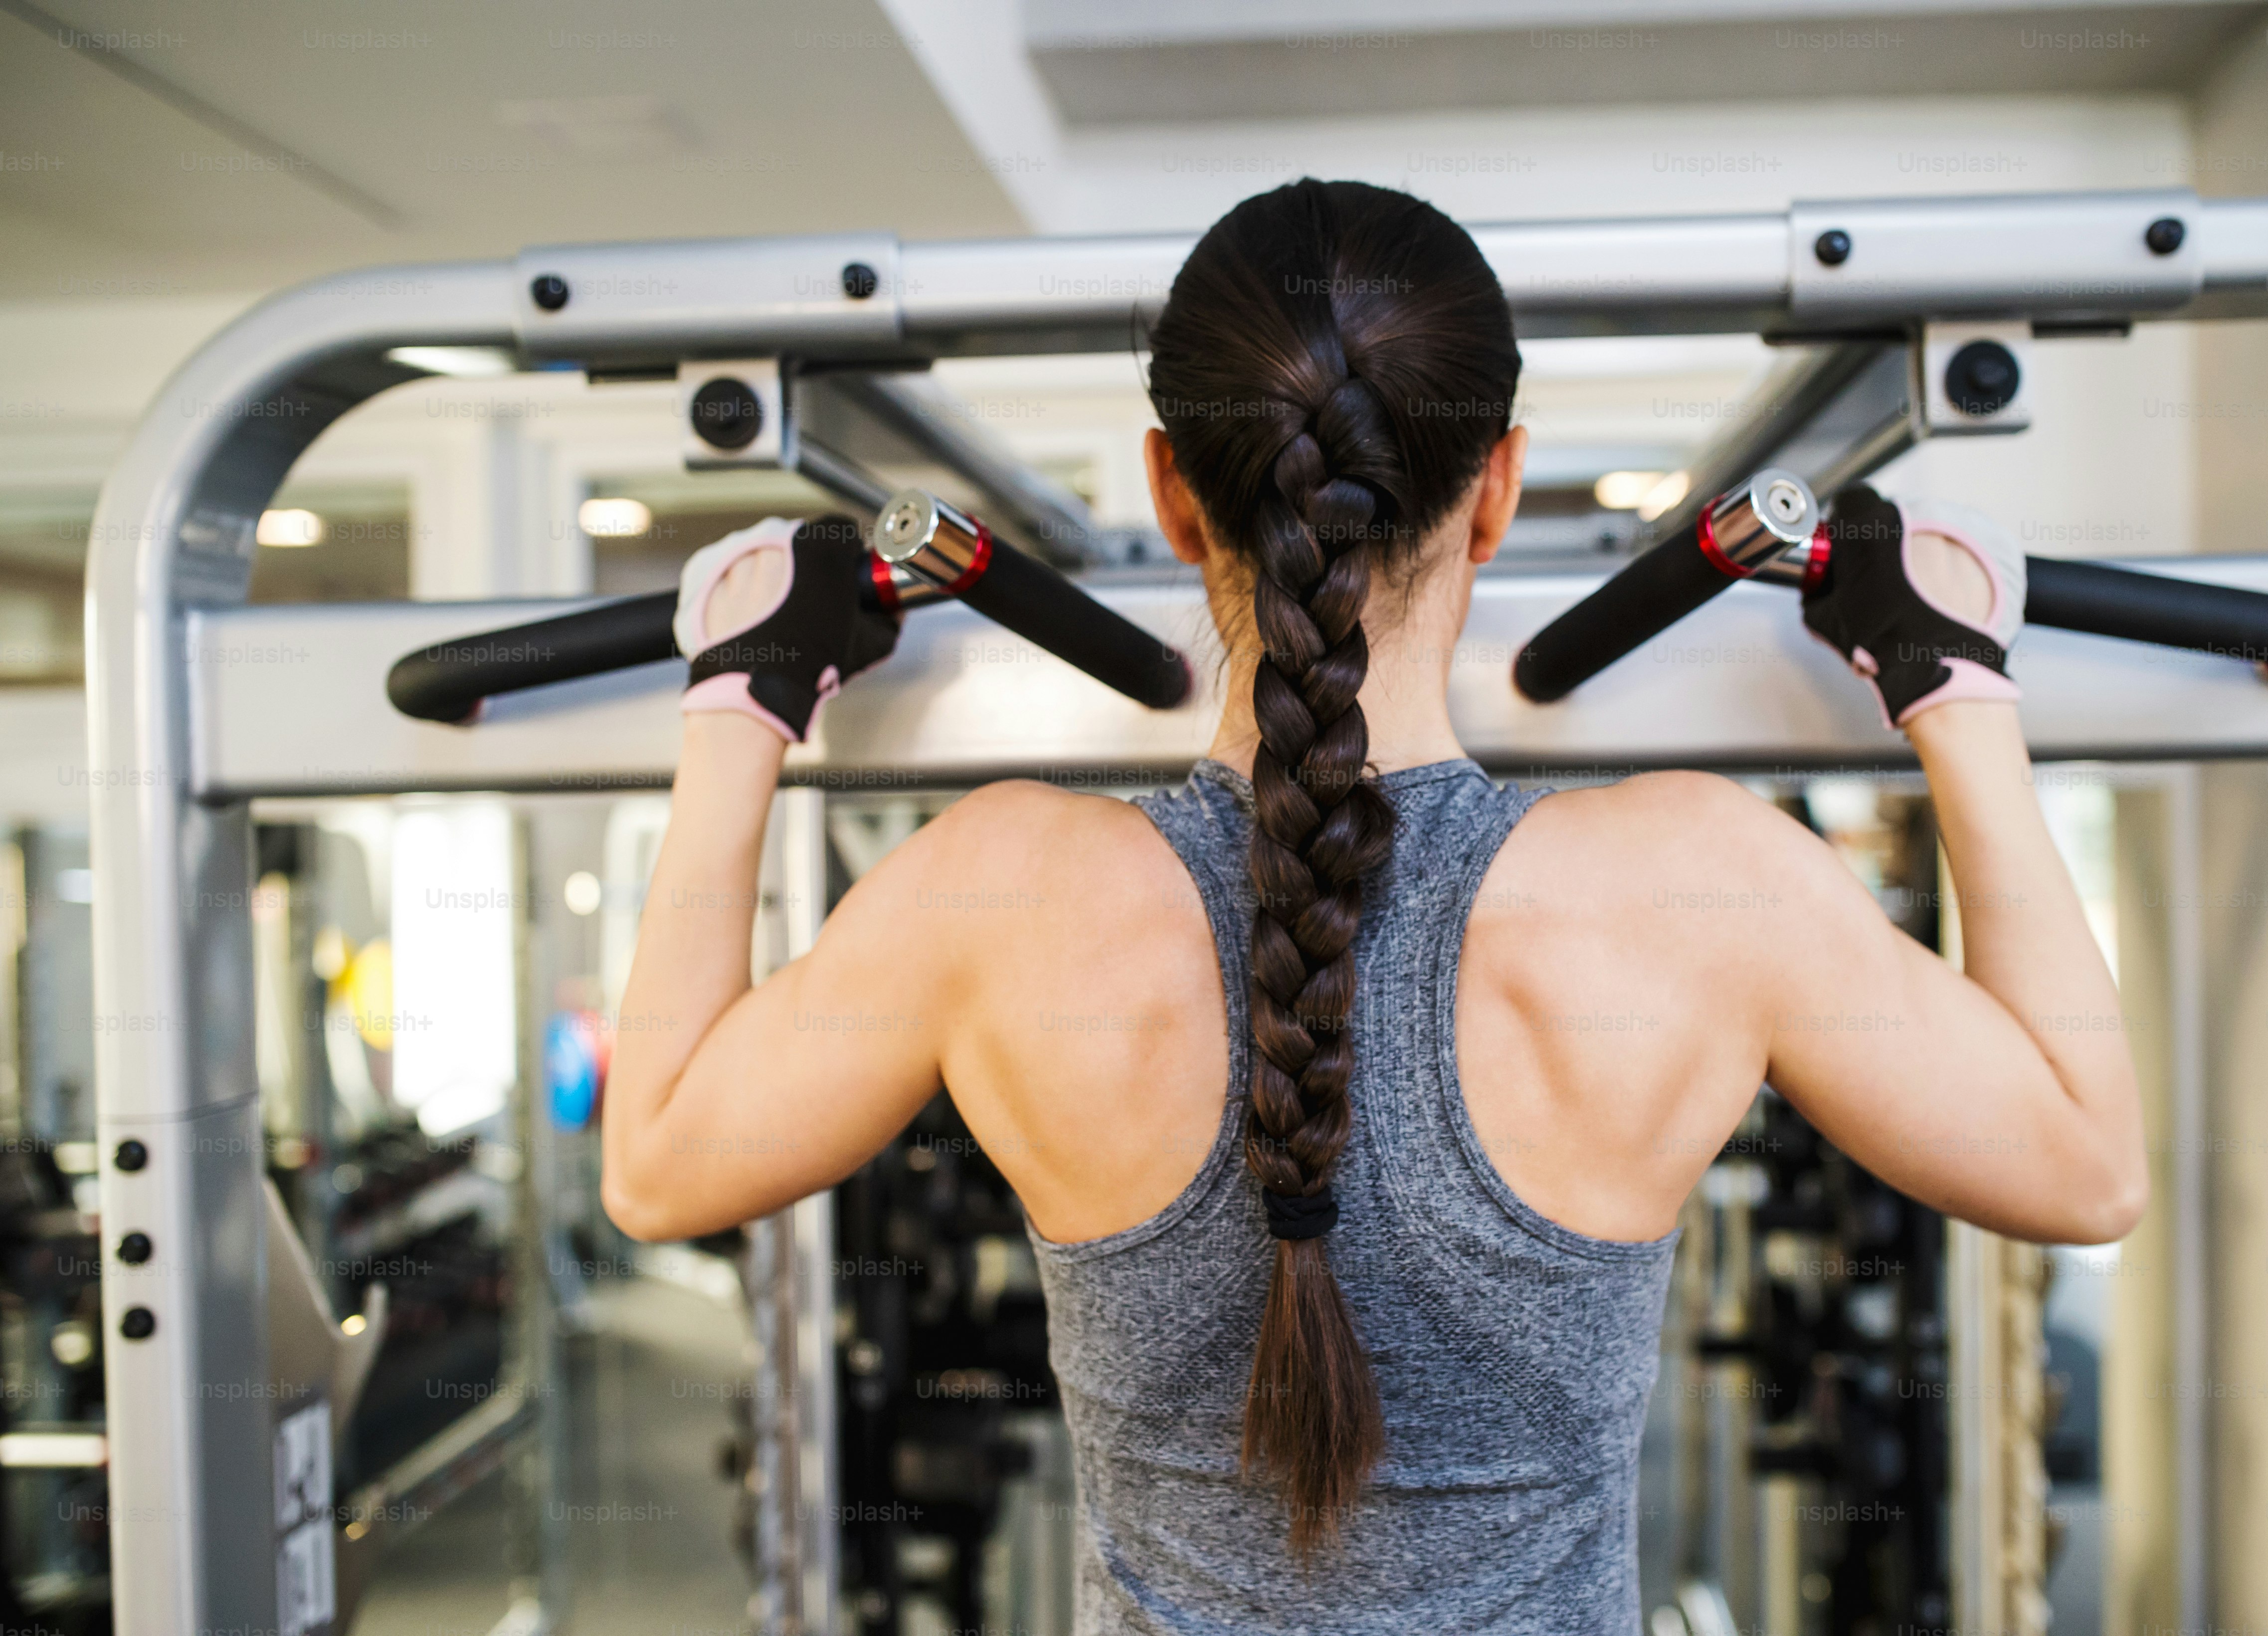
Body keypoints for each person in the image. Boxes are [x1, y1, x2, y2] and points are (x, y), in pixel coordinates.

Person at [600, 179, 2145, 1633]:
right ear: (1497, 493)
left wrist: (742, 701)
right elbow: (2087, 1165)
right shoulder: (1698, 884)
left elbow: (658, 1166)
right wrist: (1953, 686)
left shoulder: (1006, 892)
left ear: (1175, 495)